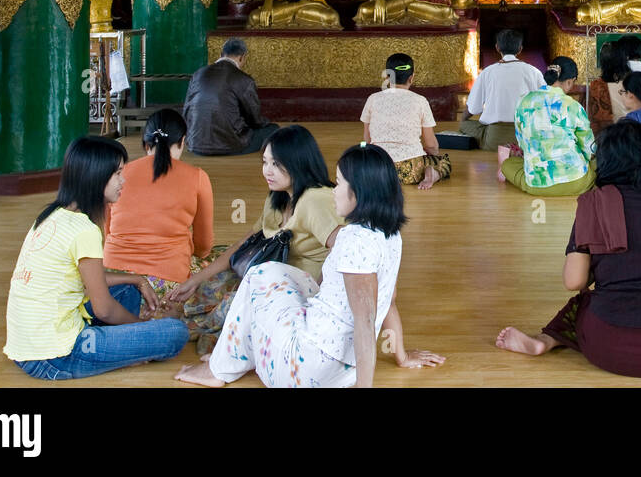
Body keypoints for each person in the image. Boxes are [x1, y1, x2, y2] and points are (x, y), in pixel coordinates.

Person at [175, 144, 445, 388]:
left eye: (339, 183)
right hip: (341, 372)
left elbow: (365, 322)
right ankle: (231, 356)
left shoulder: (353, 241)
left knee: (258, 276)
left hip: (304, 369)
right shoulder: (389, 233)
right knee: (275, 272)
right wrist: (402, 356)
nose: (334, 191)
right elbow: (389, 299)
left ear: (359, 192)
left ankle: (219, 369)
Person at [494, 122, 641, 378]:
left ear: (604, 160)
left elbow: (574, 281)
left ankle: (546, 340)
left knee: (581, 302)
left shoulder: (594, 205)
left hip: (607, 347)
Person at [4, 137, 189, 380]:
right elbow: (103, 310)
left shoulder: (51, 215)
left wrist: (137, 279)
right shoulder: (85, 230)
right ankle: (124, 351)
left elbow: (83, 279)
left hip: (27, 346)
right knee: (175, 332)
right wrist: (144, 328)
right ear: (96, 176)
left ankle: (119, 347)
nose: (123, 181)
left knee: (128, 290)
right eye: (118, 174)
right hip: (56, 356)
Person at [162, 125, 344, 356]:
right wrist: (195, 280)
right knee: (213, 284)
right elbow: (245, 244)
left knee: (233, 303)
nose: (267, 171)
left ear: (298, 162)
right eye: (265, 162)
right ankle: (184, 325)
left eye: (276, 164)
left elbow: (345, 250)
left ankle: (174, 333)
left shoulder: (315, 200)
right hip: (270, 275)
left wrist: (317, 303)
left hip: (296, 289)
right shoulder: (278, 196)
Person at [103, 109, 217, 308]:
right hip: (168, 284)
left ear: (146, 144)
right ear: (182, 142)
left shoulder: (118, 174)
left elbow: (107, 230)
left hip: (112, 279)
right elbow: (203, 244)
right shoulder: (197, 177)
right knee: (223, 265)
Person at [505, 56, 598, 196]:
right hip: (576, 182)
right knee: (601, 162)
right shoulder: (573, 106)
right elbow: (589, 148)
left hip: (536, 184)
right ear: (569, 81)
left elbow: (522, 142)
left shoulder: (523, 101)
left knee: (507, 165)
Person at [361, 53, 452, 189]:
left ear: (387, 77)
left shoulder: (373, 99)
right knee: (444, 161)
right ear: (412, 77)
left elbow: (367, 140)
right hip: (410, 169)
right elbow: (432, 145)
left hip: (377, 169)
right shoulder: (420, 101)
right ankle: (433, 174)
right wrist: (428, 152)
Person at [182, 37, 280, 156]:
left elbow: (187, 110)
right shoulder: (243, 79)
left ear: (221, 54)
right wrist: (266, 123)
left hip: (195, 143)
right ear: (242, 57)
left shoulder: (198, 74)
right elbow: (255, 120)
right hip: (230, 145)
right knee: (273, 129)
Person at [458, 29, 544, 150]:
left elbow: (473, 108)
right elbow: (544, 103)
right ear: (520, 49)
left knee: (465, 126)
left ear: (497, 48)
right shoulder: (534, 72)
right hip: (525, 138)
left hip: (494, 139)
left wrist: (463, 122)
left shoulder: (487, 72)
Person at [587, 40, 631, 135]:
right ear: (624, 58)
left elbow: (592, 117)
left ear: (603, 61)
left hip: (606, 137)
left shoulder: (596, 85)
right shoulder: (633, 80)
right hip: (631, 134)